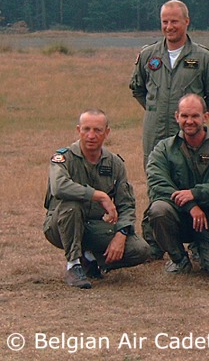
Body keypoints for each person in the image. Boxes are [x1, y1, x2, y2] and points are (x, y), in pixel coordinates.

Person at [130, 0, 209, 258]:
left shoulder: (204, 57)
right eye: (165, 22)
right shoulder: (149, 55)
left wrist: (195, 117)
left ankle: (196, 237)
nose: (169, 26)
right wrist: (156, 110)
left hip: (190, 134)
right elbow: (137, 87)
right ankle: (155, 239)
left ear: (186, 21)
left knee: (193, 179)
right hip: (155, 131)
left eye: (174, 21)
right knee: (156, 181)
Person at [44, 109, 149, 288]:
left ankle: (90, 259)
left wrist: (121, 233)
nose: (91, 135)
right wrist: (98, 195)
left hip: (94, 226)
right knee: (71, 204)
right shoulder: (63, 158)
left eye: (97, 130)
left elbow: (126, 204)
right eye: (86, 129)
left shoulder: (114, 163)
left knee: (140, 249)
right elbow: (59, 187)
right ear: (78, 130)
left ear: (107, 133)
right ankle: (73, 265)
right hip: (60, 224)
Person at [146, 94, 209, 279]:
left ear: (206, 117)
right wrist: (191, 206)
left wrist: (196, 194)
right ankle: (179, 259)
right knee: (158, 209)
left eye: (195, 116)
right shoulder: (163, 149)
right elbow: (157, 184)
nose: (189, 121)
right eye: (184, 116)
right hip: (178, 216)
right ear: (176, 117)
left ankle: (203, 249)